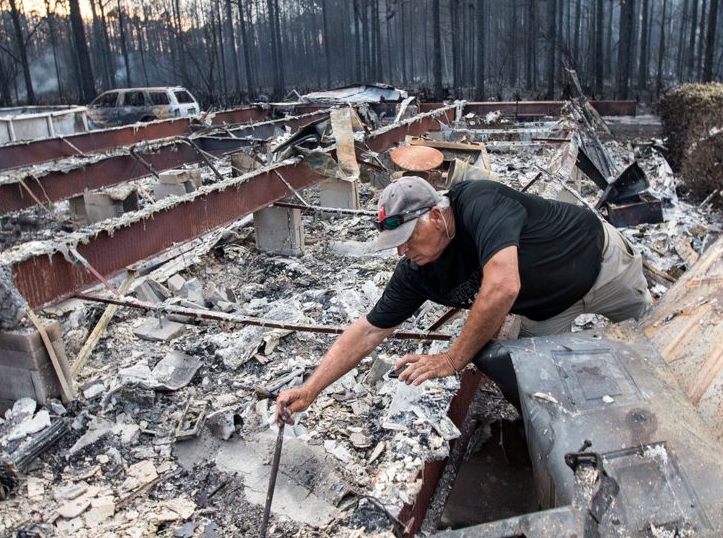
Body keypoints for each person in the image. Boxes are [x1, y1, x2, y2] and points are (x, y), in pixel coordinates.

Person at [275, 170, 651, 421]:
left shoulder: (479, 202)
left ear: (436, 218)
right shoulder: (416, 271)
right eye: (395, 244)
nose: (401, 252)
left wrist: (452, 358)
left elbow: (503, 286)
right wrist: (311, 388)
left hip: (603, 266)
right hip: (547, 310)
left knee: (650, 345)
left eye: (406, 239)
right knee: (544, 390)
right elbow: (369, 330)